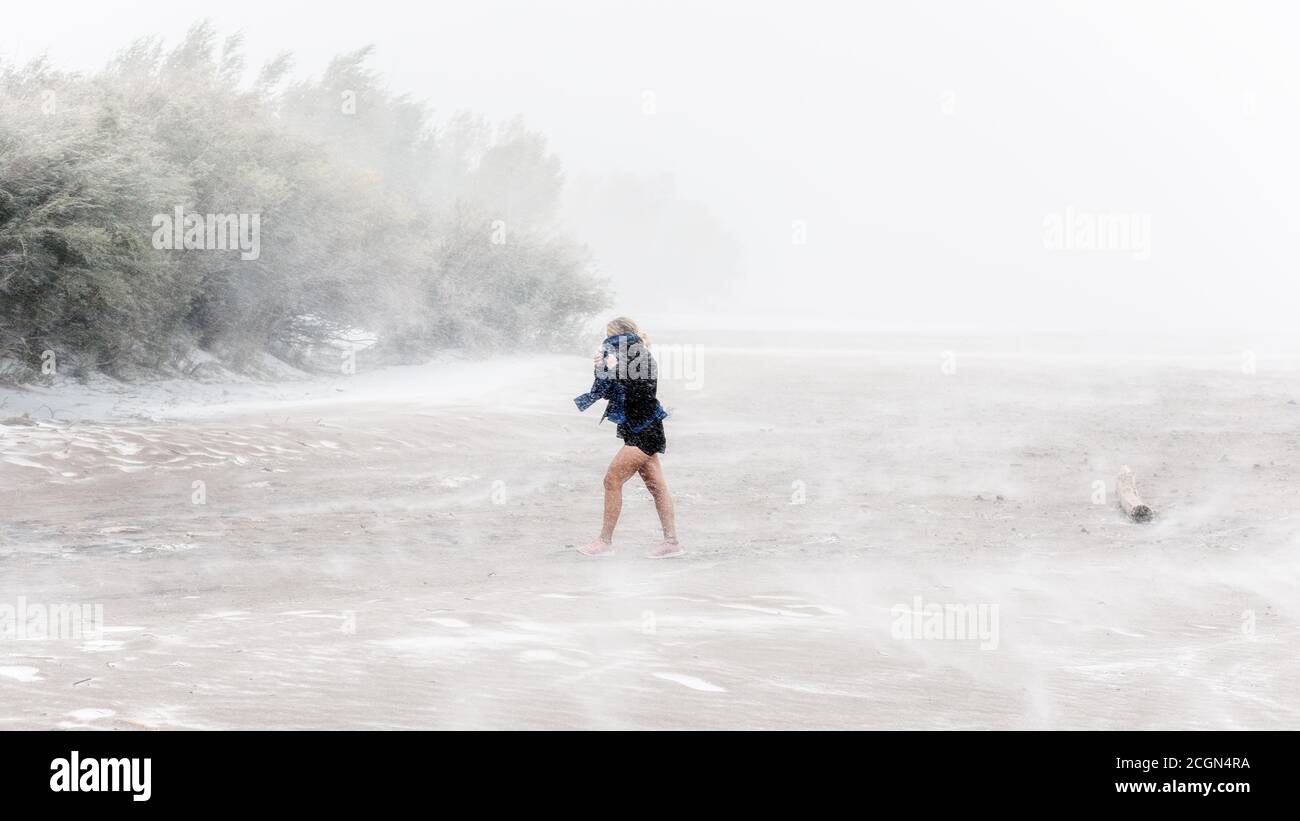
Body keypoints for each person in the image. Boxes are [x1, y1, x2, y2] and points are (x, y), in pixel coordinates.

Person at [573, 316, 683, 558]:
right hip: (640, 428)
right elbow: (605, 390)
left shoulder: (641, 357)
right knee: (657, 487)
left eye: (611, 337)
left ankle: (604, 542)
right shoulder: (627, 357)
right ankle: (672, 543)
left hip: (644, 430)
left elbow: (638, 392)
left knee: (612, 480)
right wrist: (600, 367)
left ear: (622, 337)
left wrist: (611, 367)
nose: (607, 342)